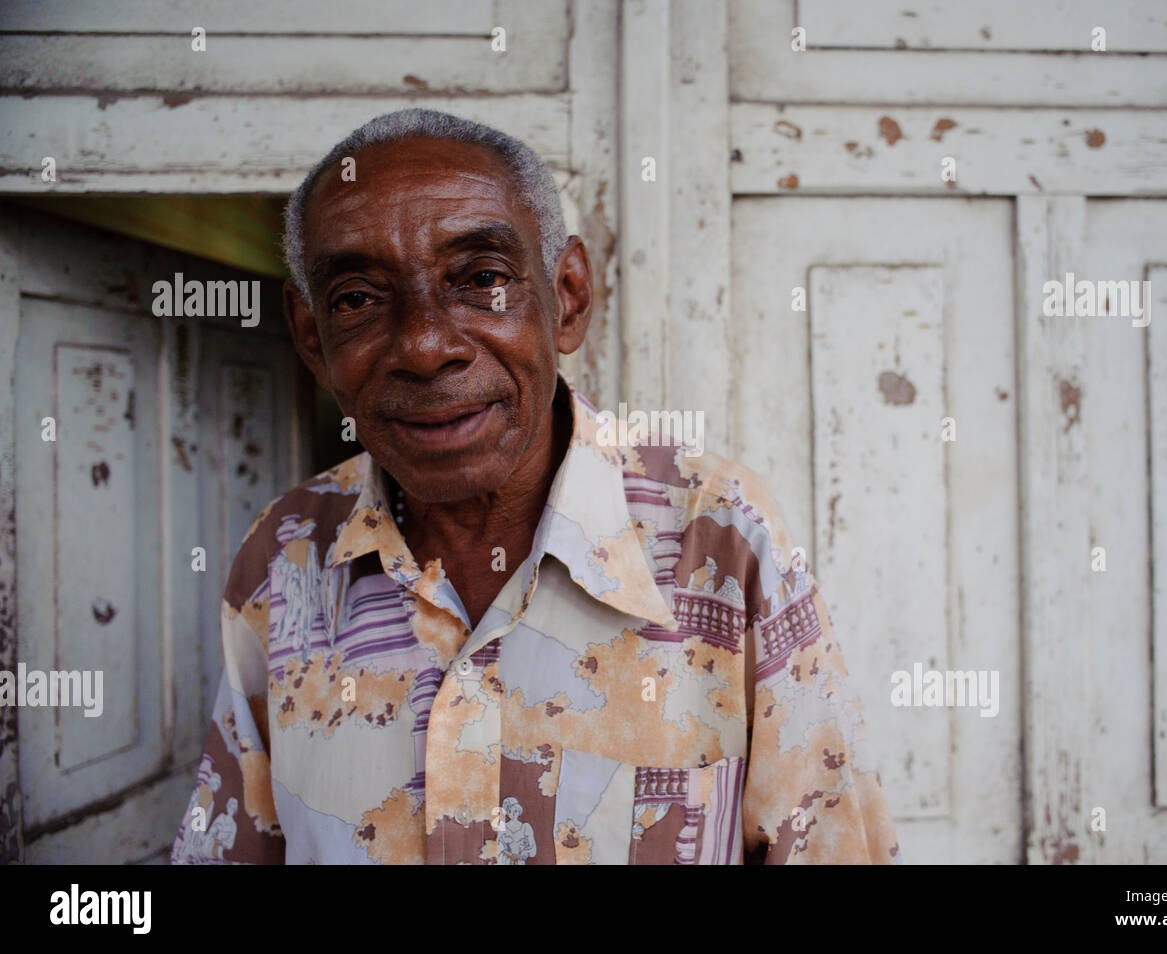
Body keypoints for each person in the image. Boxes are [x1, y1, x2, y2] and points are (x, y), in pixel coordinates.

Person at [170, 108, 899, 865]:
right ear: (313, 336)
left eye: (482, 279)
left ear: (569, 297)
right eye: (358, 297)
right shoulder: (286, 554)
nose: (424, 346)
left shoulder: (718, 534)